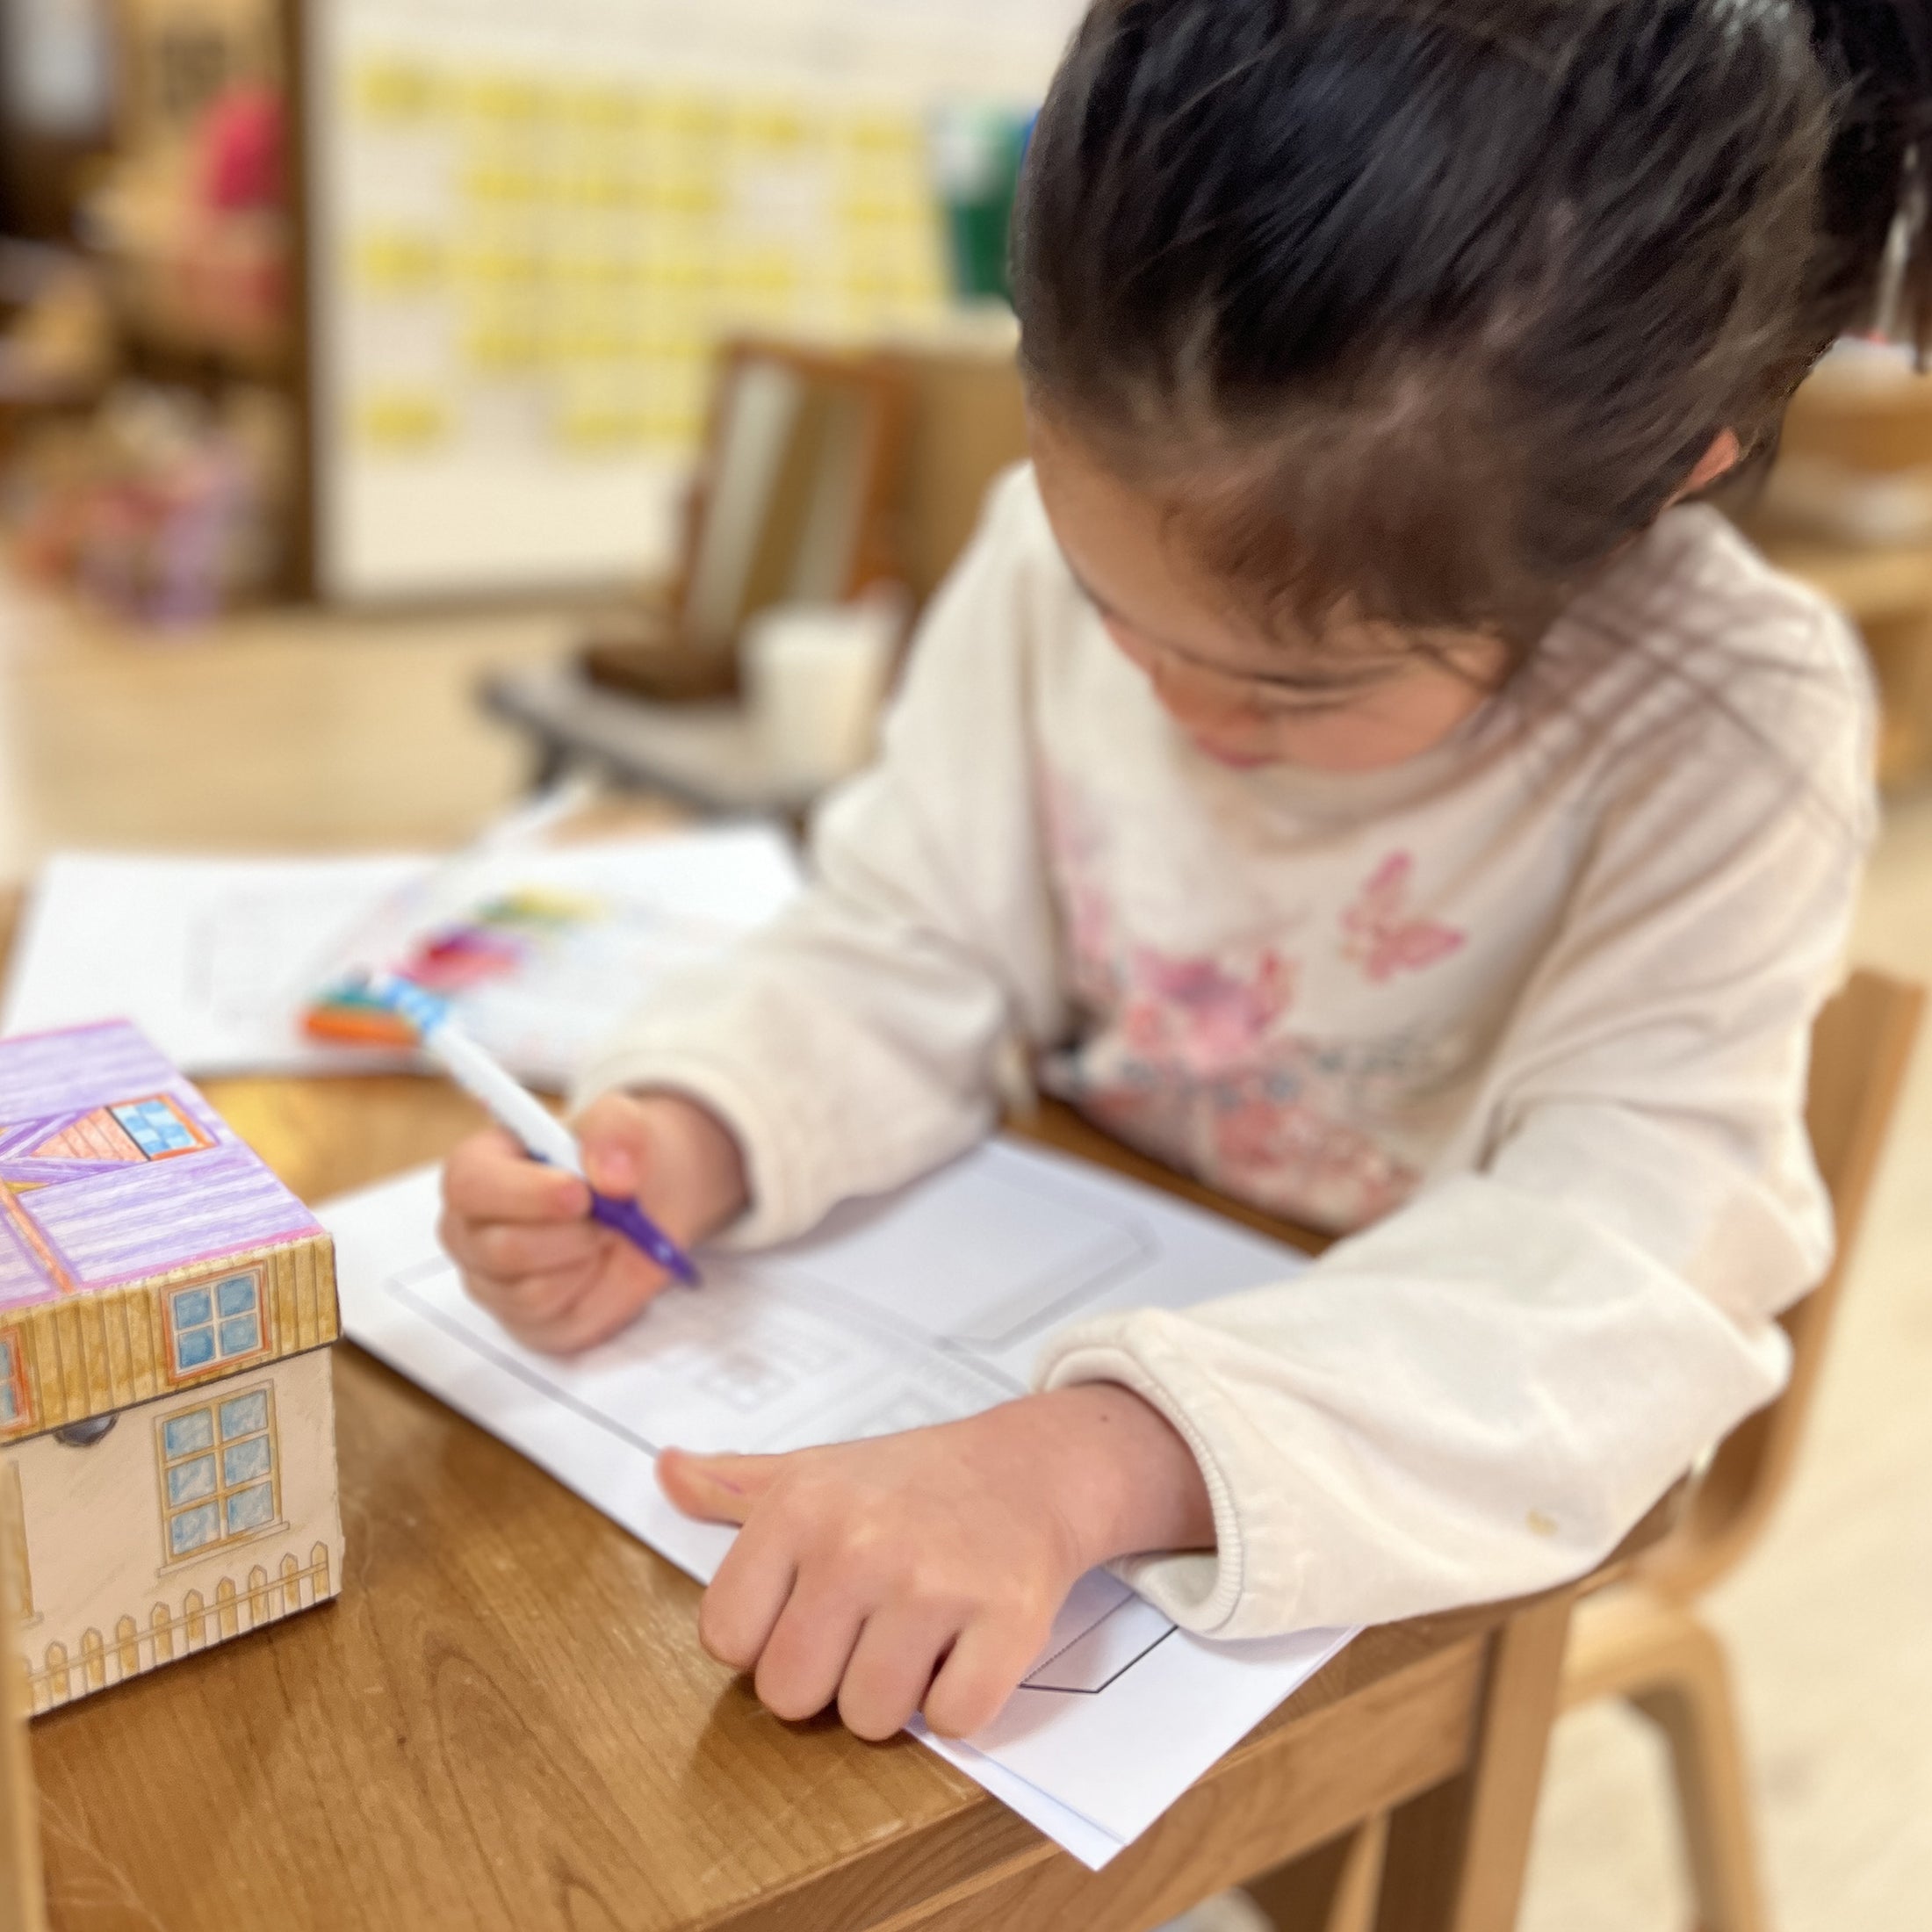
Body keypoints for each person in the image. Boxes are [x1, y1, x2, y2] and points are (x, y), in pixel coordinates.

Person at [439, 0, 1925, 1743]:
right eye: (1107, 610)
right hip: (1064, 1281)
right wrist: (698, 1128)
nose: (1176, 706)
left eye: (1298, 689)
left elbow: (1623, 1269)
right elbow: (908, 934)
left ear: (1653, 491)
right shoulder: (1034, 548)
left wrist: (1095, 1459)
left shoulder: (1724, 726)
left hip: (1386, 1486)